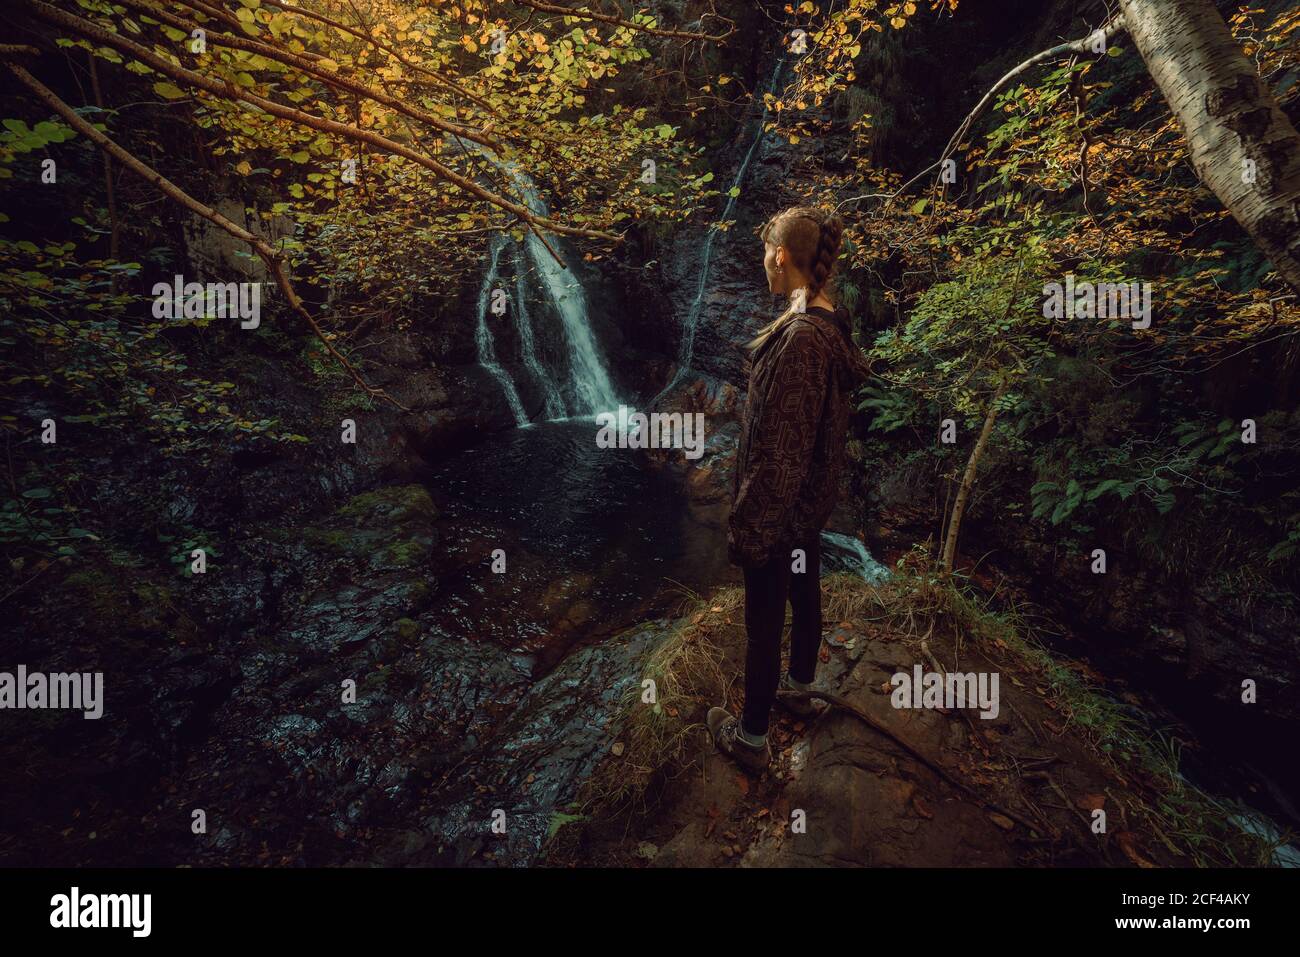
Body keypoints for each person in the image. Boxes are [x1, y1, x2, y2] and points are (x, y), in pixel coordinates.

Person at [708, 205, 866, 772]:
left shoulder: (801, 340)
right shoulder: (824, 319)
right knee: (804, 590)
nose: (761, 263)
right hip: (806, 509)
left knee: (763, 620)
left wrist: (751, 528)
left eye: (763, 253)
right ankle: (798, 688)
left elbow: (781, 451)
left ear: (780, 256)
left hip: (781, 512)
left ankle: (750, 739)